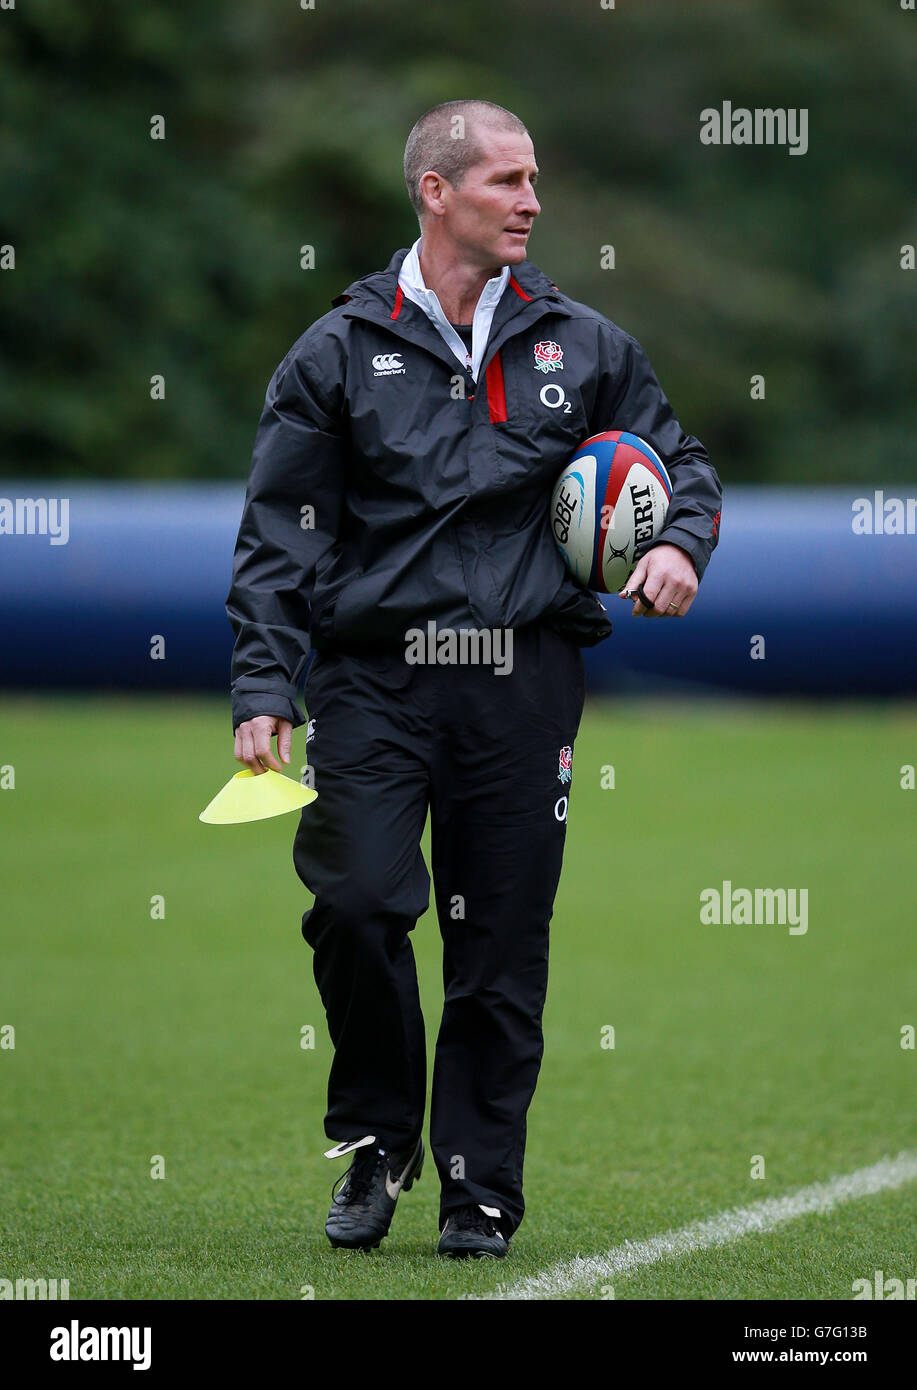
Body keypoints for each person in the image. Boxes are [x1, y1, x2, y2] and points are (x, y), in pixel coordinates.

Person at [226, 99, 722, 1259]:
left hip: (520, 680)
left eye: (534, 179)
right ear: (434, 192)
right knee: (353, 904)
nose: (530, 201)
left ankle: (477, 1188)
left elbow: (680, 460)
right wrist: (263, 686)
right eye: (504, 180)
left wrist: (672, 542)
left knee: (498, 945)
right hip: (373, 683)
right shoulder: (336, 349)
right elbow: (279, 533)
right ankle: (375, 1139)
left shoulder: (584, 344)